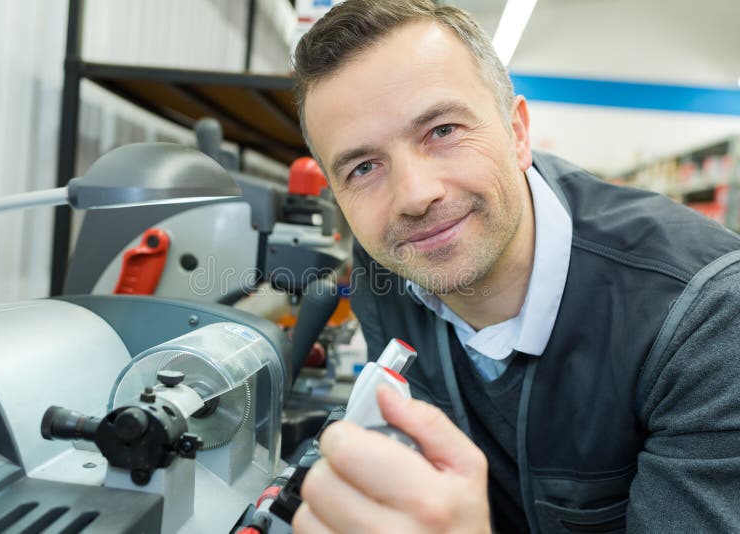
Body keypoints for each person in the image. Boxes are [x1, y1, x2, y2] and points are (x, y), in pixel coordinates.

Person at [289, 0, 740, 532]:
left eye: (443, 131)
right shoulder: (383, 265)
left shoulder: (707, 317)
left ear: (517, 133)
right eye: (363, 167)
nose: (413, 196)